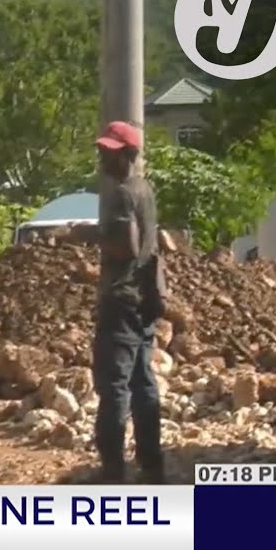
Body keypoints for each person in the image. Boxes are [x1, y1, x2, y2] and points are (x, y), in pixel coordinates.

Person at [92, 120, 164, 484]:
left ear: (128, 155)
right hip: (145, 298)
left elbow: (127, 246)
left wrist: (93, 236)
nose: (102, 157)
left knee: (114, 386)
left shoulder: (121, 194)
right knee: (143, 382)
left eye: (109, 152)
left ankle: (112, 473)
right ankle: (152, 467)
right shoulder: (145, 189)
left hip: (121, 298)